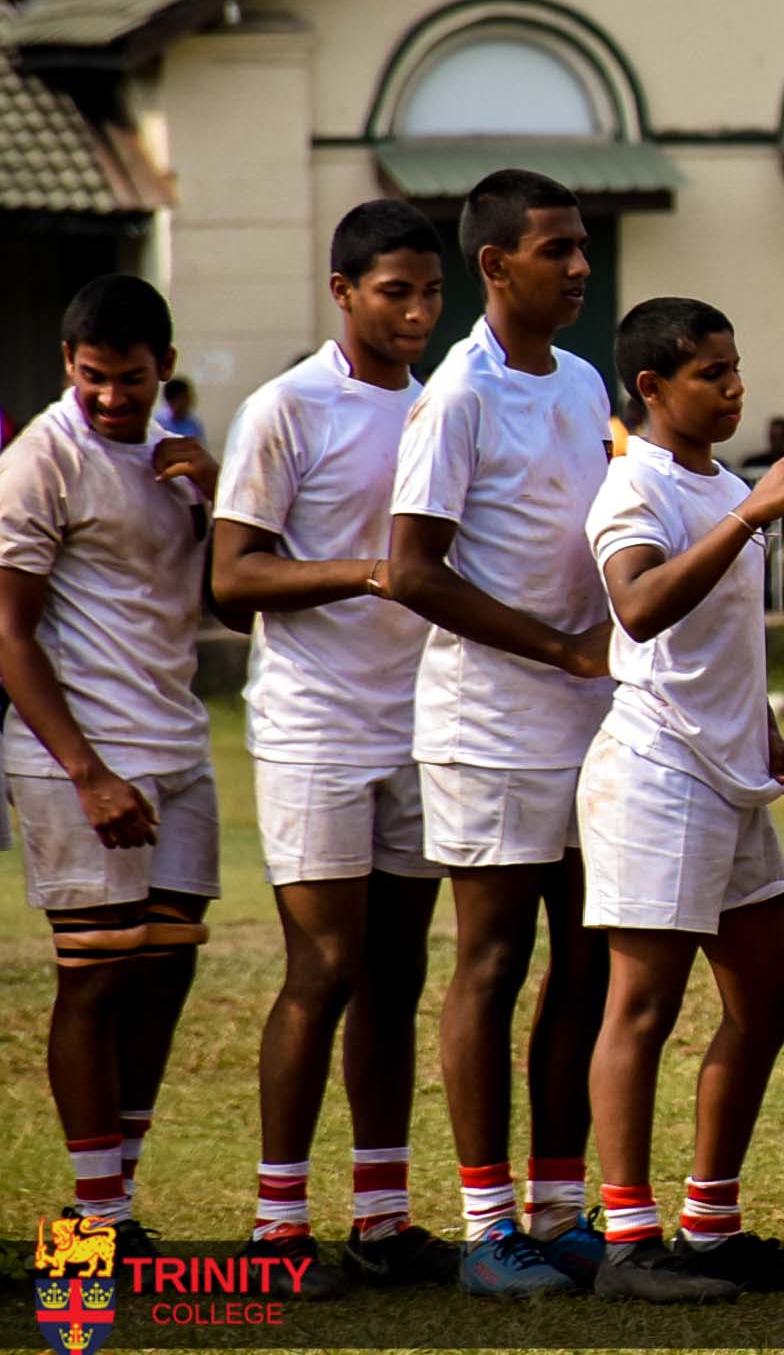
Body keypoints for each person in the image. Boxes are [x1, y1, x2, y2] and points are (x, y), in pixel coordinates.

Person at [211, 201, 462, 1294]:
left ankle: (382, 1215)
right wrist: (367, 574)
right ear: (342, 291)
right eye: (394, 291)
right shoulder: (285, 408)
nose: (417, 312)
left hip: (423, 721)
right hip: (313, 724)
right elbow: (231, 579)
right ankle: (276, 1228)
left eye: (432, 292)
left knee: (397, 974)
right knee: (322, 967)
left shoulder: (440, 406)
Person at [386, 168, 617, 1297]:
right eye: (555, 249)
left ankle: (559, 1208)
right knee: (491, 962)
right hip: (488, 723)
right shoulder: (458, 394)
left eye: (581, 246)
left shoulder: (582, 377)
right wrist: (560, 648)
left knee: (588, 956)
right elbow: (411, 569)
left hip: (590, 720)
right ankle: (489, 1227)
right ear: (495, 264)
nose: (579, 266)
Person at [582, 299, 784, 1302]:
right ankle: (627, 1241)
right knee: (642, 1006)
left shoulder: (724, 485)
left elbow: (718, 629)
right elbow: (639, 606)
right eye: (710, 374)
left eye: (734, 368)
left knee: (767, 997)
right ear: (652, 388)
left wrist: (759, 716)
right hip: (656, 770)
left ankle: (710, 1227)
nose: (733, 388)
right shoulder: (634, 484)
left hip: (726, 771)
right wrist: (748, 516)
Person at [0, 277, 221, 1262]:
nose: (109, 396)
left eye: (130, 378)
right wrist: (87, 771)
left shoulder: (176, 459)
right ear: (67, 363)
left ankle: (116, 1201)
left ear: (163, 366)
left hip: (179, 746)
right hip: (79, 759)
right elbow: (9, 633)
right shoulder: (38, 459)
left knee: (165, 972)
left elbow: (228, 599)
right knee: (93, 979)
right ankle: (96, 1220)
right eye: (93, 376)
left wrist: (219, 496)